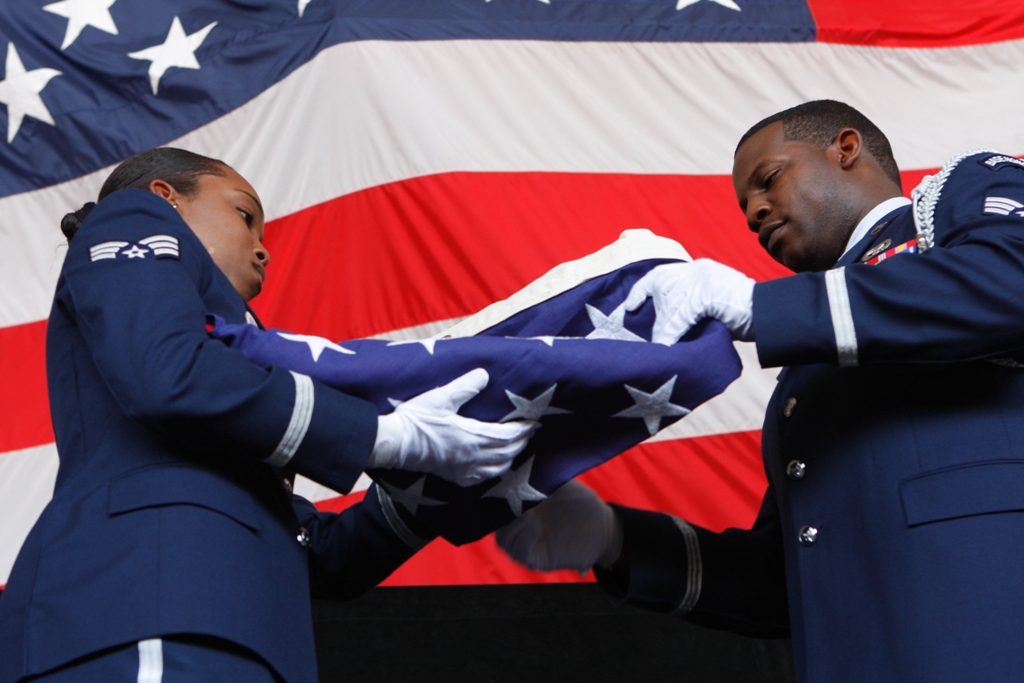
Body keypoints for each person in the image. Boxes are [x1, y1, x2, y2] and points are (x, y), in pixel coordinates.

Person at [497, 99, 1024, 682]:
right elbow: (790, 581)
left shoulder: (960, 195)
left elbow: (1011, 280)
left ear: (846, 149)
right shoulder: (807, 377)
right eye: (746, 207)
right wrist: (613, 540)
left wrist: (759, 306)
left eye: (768, 179)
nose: (755, 213)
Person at [0, 148, 537, 683]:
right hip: (151, 599)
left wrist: (446, 481)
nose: (263, 250)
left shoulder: (231, 398)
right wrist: (383, 436)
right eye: (244, 215)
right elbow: (167, 372)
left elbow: (321, 555)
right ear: (166, 198)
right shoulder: (134, 216)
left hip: (236, 633)